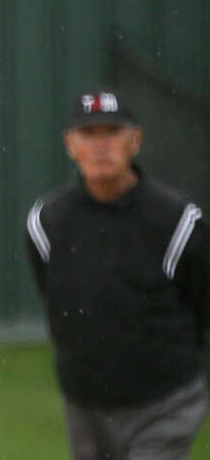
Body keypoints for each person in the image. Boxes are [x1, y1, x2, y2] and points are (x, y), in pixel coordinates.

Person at [25, 90, 208, 460]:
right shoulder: (46, 222)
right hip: (85, 403)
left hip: (165, 401)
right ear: (69, 144)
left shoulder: (178, 221)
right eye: (89, 134)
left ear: (135, 140)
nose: (100, 145)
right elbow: (56, 298)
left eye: (112, 132)